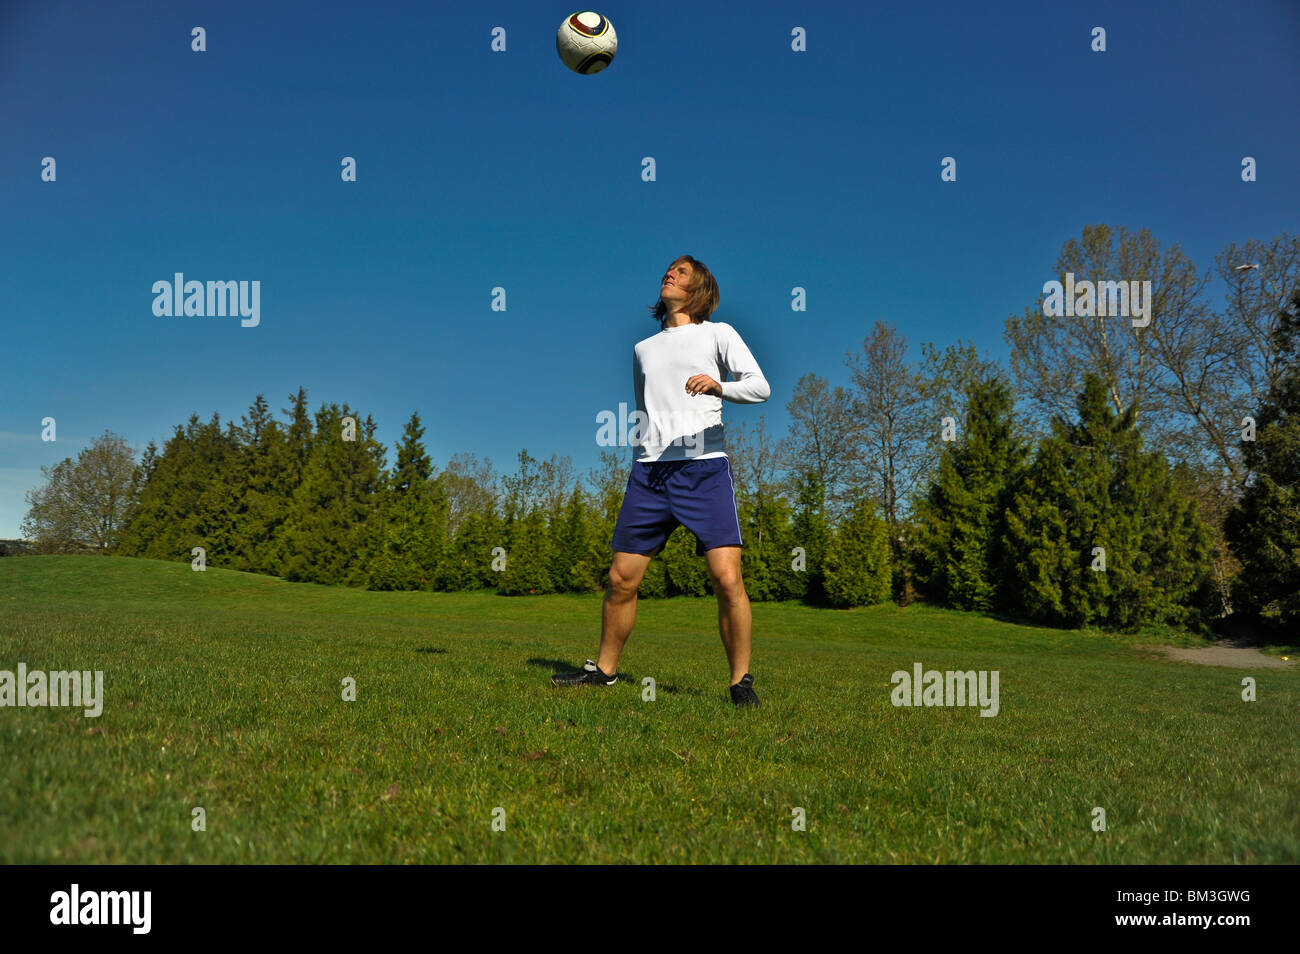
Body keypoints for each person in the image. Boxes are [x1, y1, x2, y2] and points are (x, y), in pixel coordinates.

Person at [552, 255, 770, 706]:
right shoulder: (643, 349)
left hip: (704, 467)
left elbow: (759, 386)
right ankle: (605, 671)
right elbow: (645, 409)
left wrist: (718, 386)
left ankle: (740, 681)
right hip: (649, 474)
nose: (670, 274)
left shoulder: (718, 333)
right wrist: (642, 454)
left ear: (700, 287)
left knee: (726, 578)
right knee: (620, 579)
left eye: (682, 271)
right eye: (668, 270)